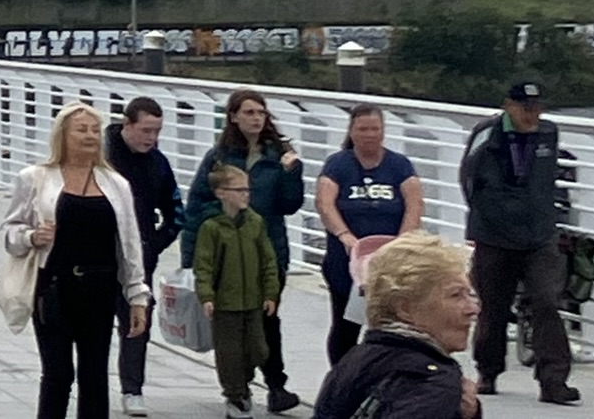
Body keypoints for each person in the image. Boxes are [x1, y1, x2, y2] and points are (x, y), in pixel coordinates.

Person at [4, 103, 152, 419]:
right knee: (58, 374)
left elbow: (129, 244)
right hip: (54, 288)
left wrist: (137, 296)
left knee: (95, 374)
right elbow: (10, 234)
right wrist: (32, 237)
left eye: (95, 130)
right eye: (81, 129)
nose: (90, 136)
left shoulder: (116, 184)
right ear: (63, 135)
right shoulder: (35, 178)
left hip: (100, 289)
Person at [179, 89, 305, 415]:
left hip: (267, 248)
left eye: (260, 112)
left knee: (268, 320)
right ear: (233, 116)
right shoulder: (219, 157)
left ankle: (275, 385)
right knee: (233, 326)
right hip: (225, 252)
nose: (255, 118)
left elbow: (289, 205)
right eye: (248, 112)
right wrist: (191, 260)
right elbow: (197, 205)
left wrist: (293, 173)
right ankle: (239, 387)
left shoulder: (278, 155)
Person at [460, 79, 578, 404]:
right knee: (492, 308)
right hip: (495, 235)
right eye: (526, 108)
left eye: (537, 107)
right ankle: (488, 369)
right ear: (508, 106)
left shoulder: (548, 133)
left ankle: (553, 380)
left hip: (539, 236)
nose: (532, 114)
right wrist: (489, 218)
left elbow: (548, 179)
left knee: (547, 302)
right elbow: (469, 179)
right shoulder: (488, 134)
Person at [311, 232, 483, 419]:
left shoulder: (355, 360)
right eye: (456, 295)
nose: (472, 309)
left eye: (470, 294)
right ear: (405, 309)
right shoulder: (430, 381)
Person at [317, 104, 423, 365]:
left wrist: (402, 241)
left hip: (388, 259)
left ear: (383, 131)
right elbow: (324, 202)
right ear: (352, 131)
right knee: (346, 323)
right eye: (363, 129)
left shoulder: (399, 165)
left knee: (389, 324)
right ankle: (341, 376)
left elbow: (415, 204)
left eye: (375, 129)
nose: (369, 134)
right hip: (349, 261)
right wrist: (345, 236)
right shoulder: (337, 165)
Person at [106, 97, 181, 417]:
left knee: (136, 324)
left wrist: (154, 244)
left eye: (157, 131)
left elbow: (176, 213)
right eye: (146, 130)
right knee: (90, 325)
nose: (151, 138)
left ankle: (132, 388)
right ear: (127, 125)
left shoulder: (158, 163)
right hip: (99, 256)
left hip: (139, 260)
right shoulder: (103, 157)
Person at [194, 163, 282, 418]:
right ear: (221, 192)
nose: (246, 194)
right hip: (226, 303)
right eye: (239, 189)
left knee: (258, 348)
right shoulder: (211, 227)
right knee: (229, 353)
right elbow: (204, 265)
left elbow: (268, 260)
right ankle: (235, 394)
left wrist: (270, 292)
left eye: (248, 189)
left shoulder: (255, 223)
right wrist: (207, 295)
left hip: (253, 301)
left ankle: (244, 383)